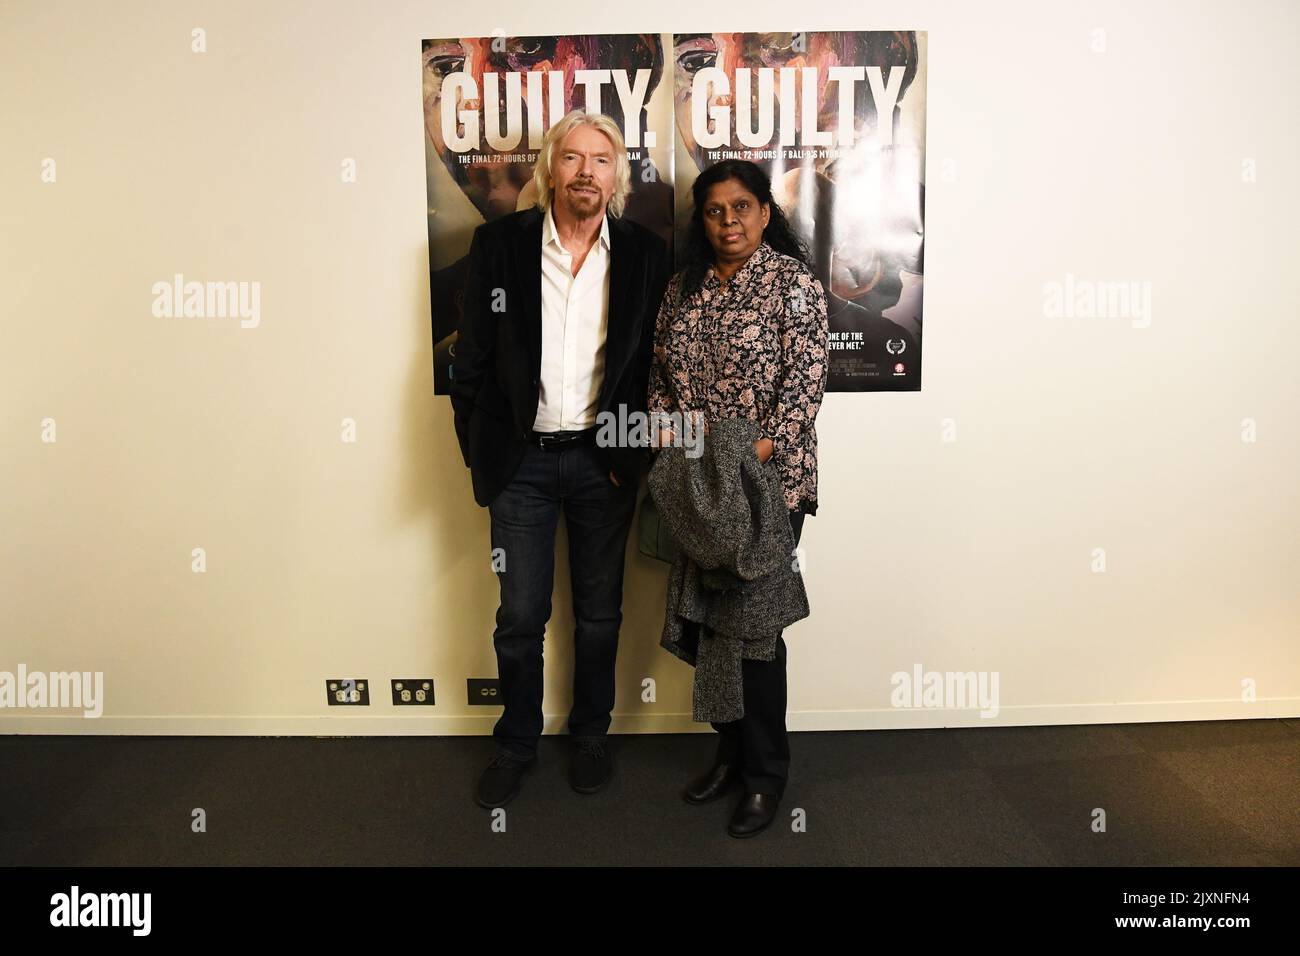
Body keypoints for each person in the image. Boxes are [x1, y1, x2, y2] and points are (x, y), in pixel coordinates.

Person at [451, 110, 669, 808]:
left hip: (602, 466)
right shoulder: (500, 247)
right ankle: (516, 744)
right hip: (522, 467)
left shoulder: (644, 254)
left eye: (600, 160)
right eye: (572, 158)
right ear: (551, 169)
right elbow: (472, 360)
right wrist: (485, 451)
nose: (585, 172)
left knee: (600, 615)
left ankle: (590, 736)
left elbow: (648, 370)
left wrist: (627, 457)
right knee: (519, 615)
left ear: (616, 177)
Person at [648, 158, 828, 837]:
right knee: (707, 622)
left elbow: (804, 393)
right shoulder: (681, 289)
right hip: (698, 486)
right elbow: (659, 382)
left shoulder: (794, 286)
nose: (729, 221)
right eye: (716, 210)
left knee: (754, 632)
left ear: (764, 212)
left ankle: (765, 775)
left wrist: (742, 457)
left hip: (769, 486)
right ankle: (730, 752)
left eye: (742, 207)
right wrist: (677, 450)